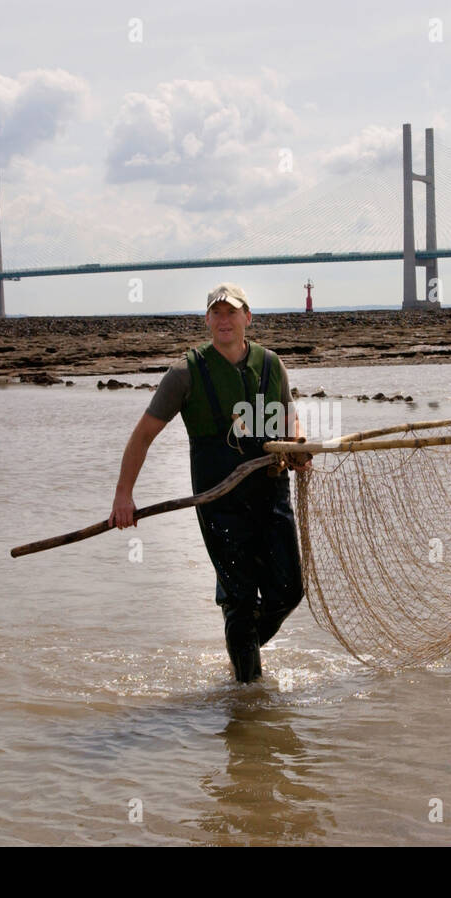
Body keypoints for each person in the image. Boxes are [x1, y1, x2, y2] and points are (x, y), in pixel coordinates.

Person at [109, 283, 311, 683]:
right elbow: (143, 435)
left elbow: (290, 421)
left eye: (231, 312)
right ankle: (248, 703)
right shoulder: (185, 374)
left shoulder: (271, 365)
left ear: (247, 318)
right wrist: (123, 495)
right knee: (239, 601)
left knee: (288, 592)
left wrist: (299, 447)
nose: (223, 320)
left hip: (272, 495)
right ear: (206, 320)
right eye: (215, 313)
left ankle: (241, 651)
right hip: (220, 503)